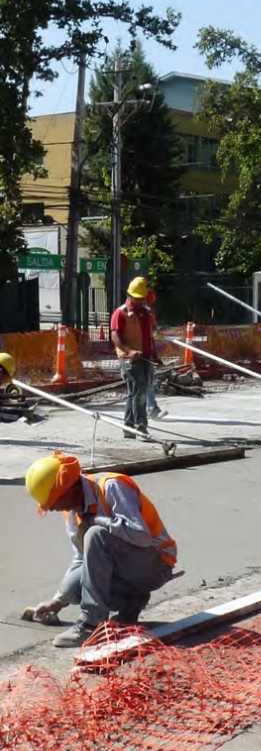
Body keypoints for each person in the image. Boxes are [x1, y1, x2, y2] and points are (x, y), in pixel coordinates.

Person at [24, 451, 177, 648]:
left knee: (96, 534)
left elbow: (141, 536)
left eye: (54, 502)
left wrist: (99, 521)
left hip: (155, 563)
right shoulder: (71, 512)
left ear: (71, 489)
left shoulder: (111, 487)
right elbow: (81, 558)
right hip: (127, 567)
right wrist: (57, 601)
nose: (53, 508)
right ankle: (131, 603)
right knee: (73, 588)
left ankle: (91, 624)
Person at [110, 276, 157, 437]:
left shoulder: (145, 313)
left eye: (142, 298)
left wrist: (155, 355)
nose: (140, 301)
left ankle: (128, 427)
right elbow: (115, 336)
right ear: (130, 295)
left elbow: (150, 336)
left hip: (145, 358)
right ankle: (140, 426)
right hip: (129, 359)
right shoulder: (120, 313)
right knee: (140, 390)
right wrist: (128, 351)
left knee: (134, 393)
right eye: (138, 298)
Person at [144, 286, 166, 420]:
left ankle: (151, 409)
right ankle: (150, 409)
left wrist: (155, 355)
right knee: (144, 383)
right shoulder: (143, 313)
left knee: (148, 382)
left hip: (147, 353)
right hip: (138, 354)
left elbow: (152, 335)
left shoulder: (148, 313)